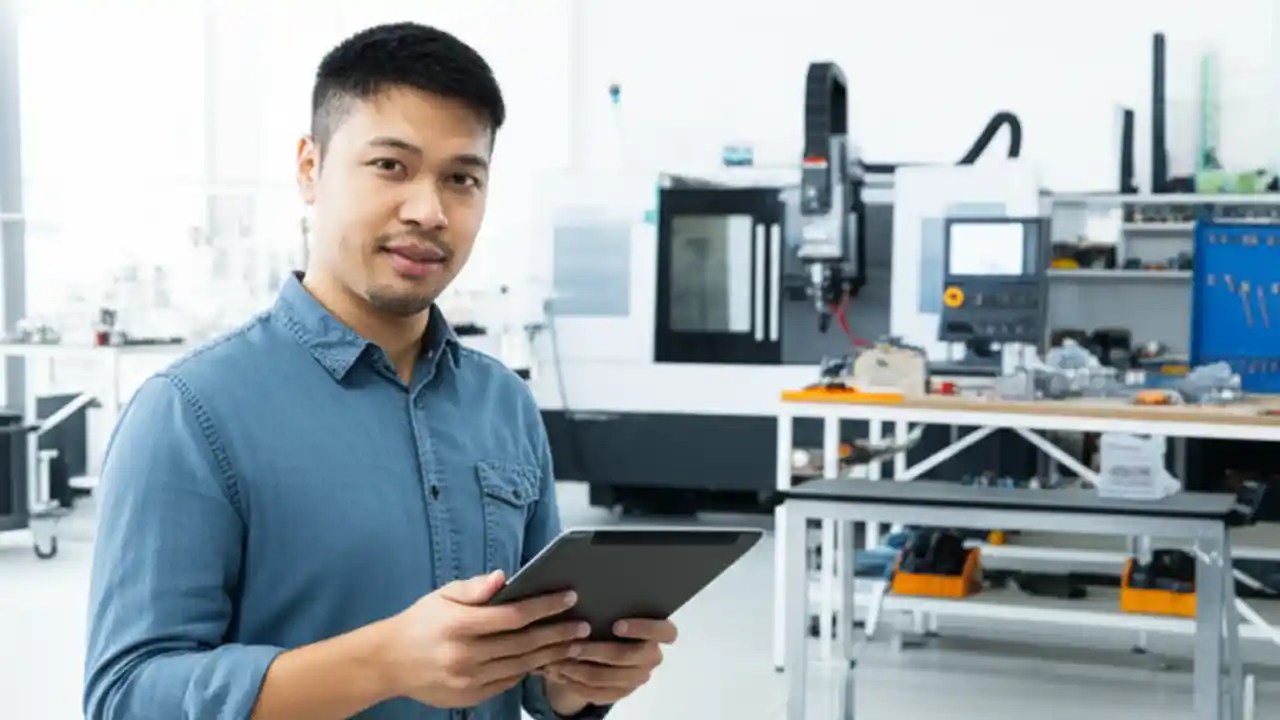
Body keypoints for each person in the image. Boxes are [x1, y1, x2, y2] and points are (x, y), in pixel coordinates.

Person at [83, 22, 675, 720]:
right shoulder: (191, 412)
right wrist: (384, 663)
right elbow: (126, 696)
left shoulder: (504, 404)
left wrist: (577, 681)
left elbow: (532, 669)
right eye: (391, 166)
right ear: (310, 168)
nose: (429, 212)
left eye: (461, 178)